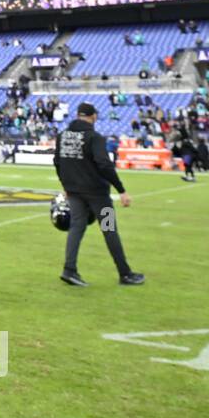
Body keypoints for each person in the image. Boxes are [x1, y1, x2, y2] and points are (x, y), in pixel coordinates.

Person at [54, 102, 144, 286]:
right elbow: (104, 165)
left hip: (74, 191)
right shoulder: (95, 137)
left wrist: (65, 184)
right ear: (92, 116)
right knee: (110, 229)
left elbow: (57, 161)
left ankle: (69, 270)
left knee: (76, 228)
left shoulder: (62, 136)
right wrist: (121, 190)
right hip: (98, 193)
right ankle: (125, 273)